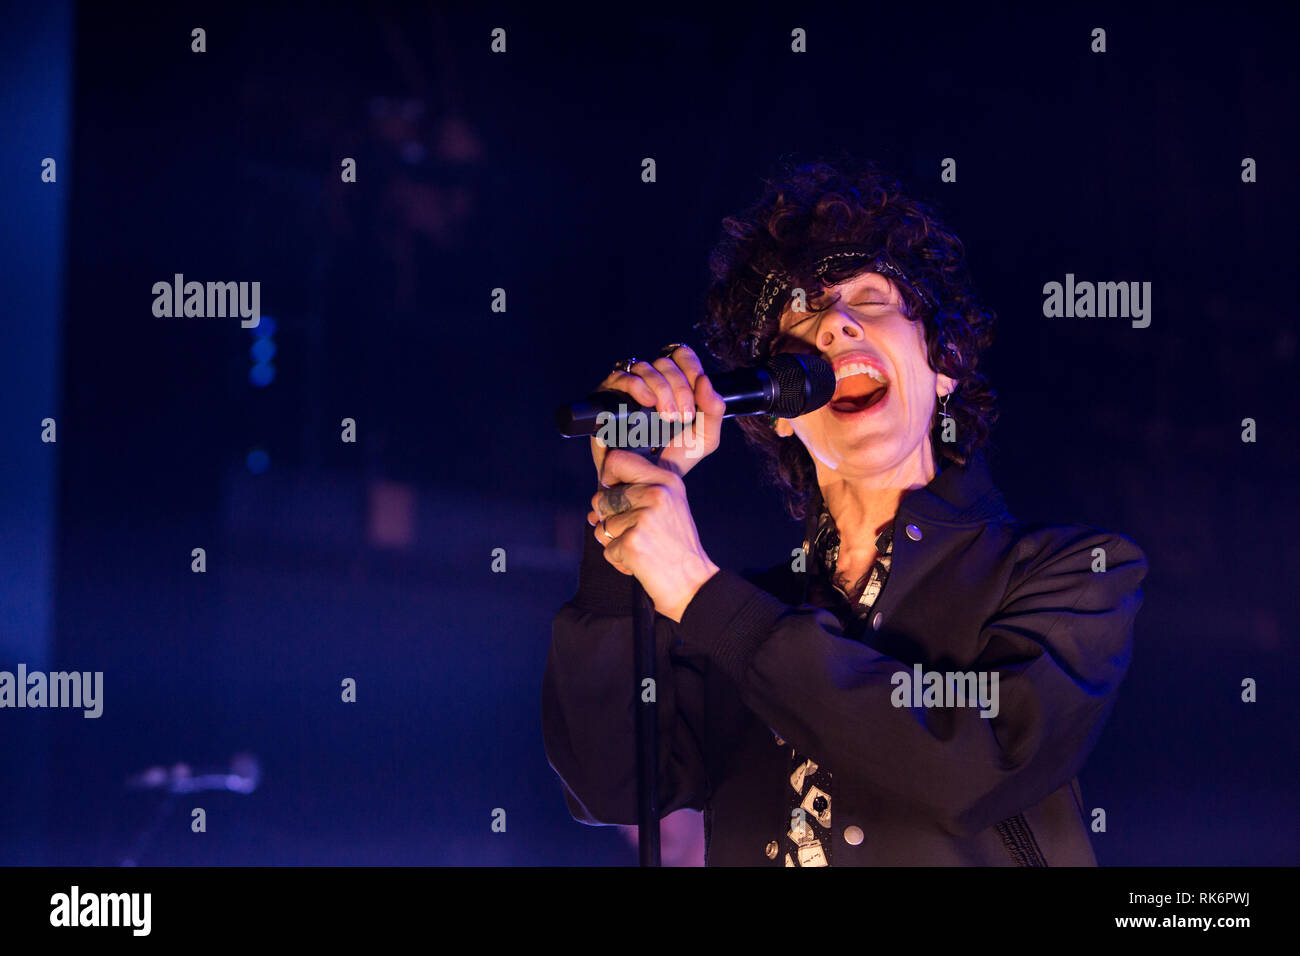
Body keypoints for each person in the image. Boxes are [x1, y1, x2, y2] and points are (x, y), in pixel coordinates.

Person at [541, 158, 1148, 866]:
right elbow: (608, 782)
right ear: (783, 416)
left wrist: (700, 595)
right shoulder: (747, 606)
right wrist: (627, 517)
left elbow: (979, 767)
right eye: (802, 314)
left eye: (871, 296)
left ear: (943, 360)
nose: (834, 324)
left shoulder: (1070, 573)